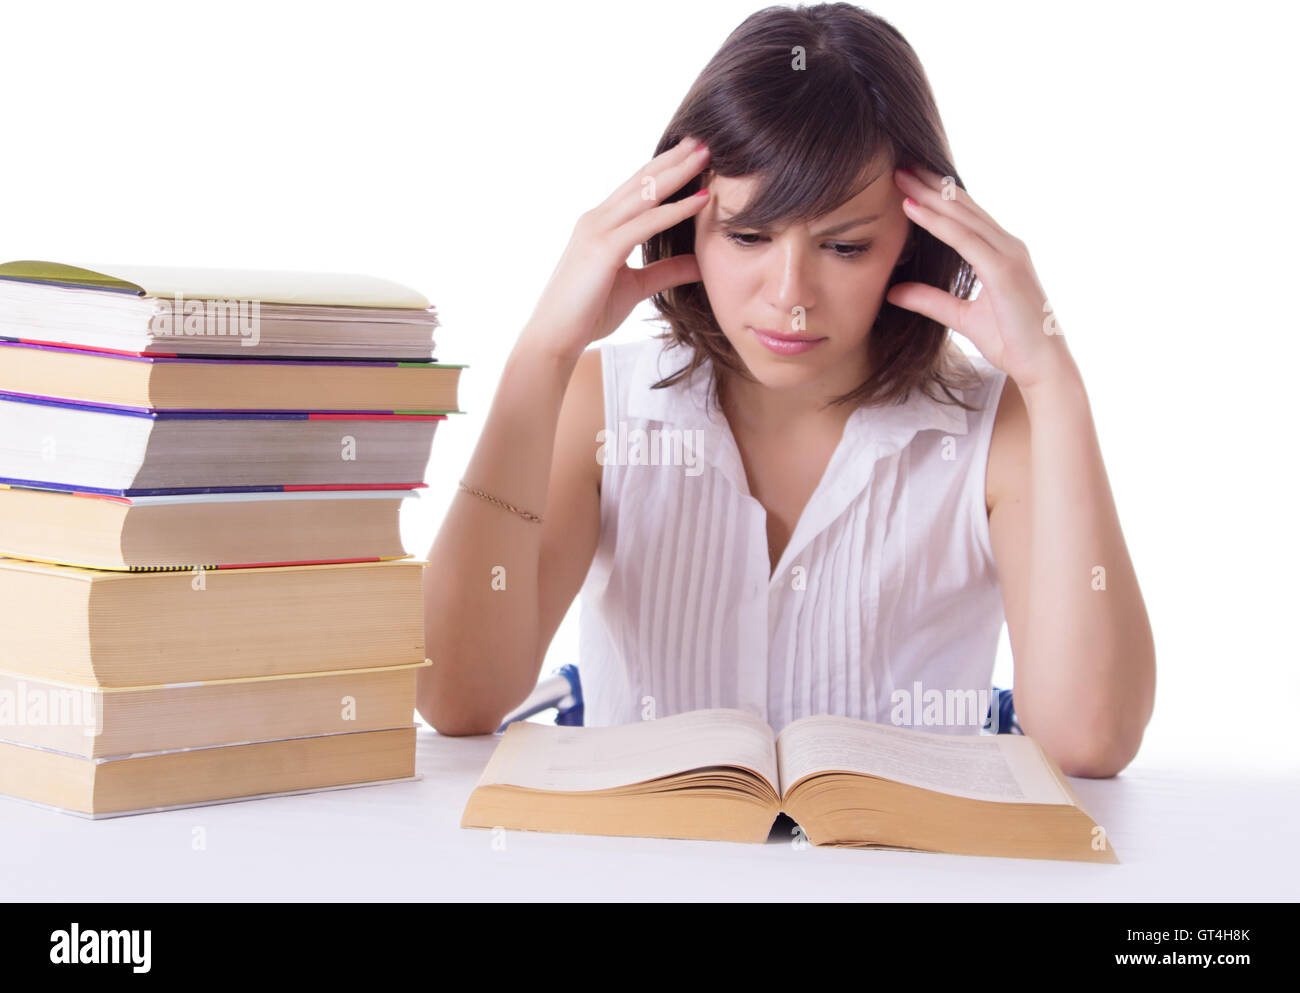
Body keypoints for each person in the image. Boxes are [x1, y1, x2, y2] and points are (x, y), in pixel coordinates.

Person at [420, 2, 1155, 778]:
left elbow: (1090, 740)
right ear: (685, 220)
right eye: (747, 236)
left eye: (845, 245)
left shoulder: (996, 427)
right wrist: (543, 352)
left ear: (915, 239)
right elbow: (457, 697)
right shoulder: (605, 404)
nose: (792, 294)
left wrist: (1055, 383)